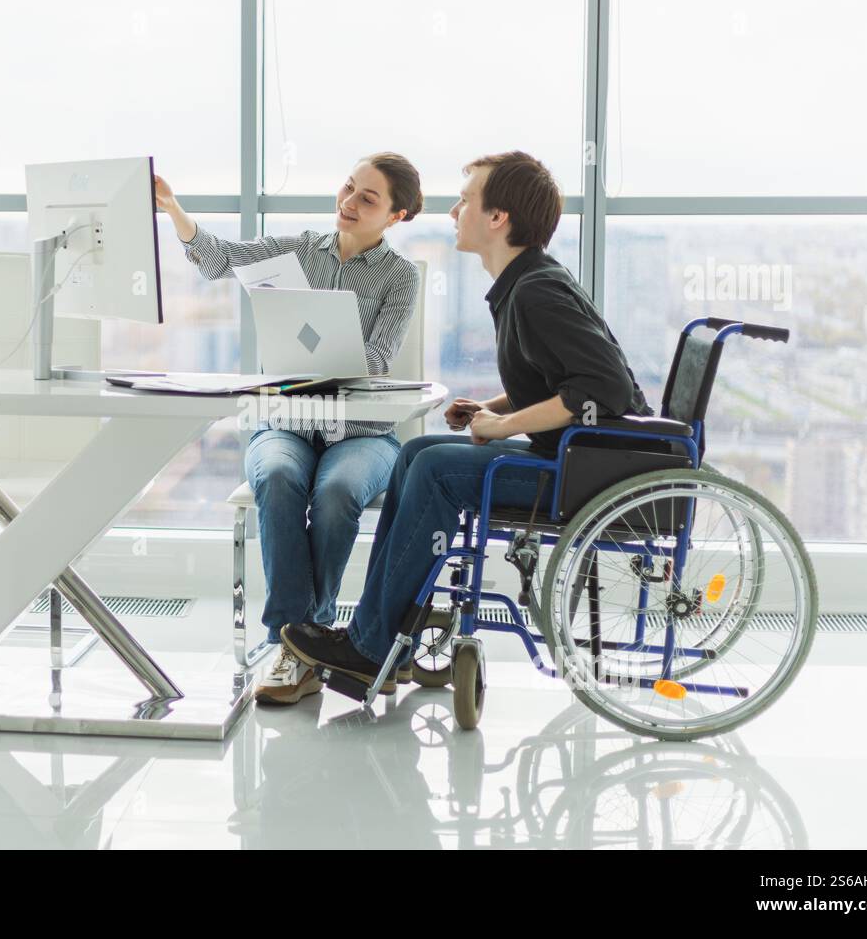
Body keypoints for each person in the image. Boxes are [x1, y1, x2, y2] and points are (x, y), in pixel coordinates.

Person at [279, 151, 652, 691]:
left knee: (434, 470)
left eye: (465, 201)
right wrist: (495, 409)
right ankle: (379, 637)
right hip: (572, 457)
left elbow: (605, 390)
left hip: (592, 473)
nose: (454, 212)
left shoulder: (536, 291)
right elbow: (559, 382)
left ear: (497, 218)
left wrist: (501, 428)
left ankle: (368, 646)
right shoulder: (526, 282)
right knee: (415, 454)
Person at [155, 153, 424, 705]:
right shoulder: (300, 249)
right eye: (348, 188)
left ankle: (300, 643)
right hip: (287, 423)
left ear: (395, 216)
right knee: (277, 478)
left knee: (337, 491)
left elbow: (377, 358)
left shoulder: (401, 276)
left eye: (368, 199)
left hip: (363, 431)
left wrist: (320, 352)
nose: (349, 203)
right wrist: (173, 209)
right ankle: (300, 638)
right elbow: (218, 261)